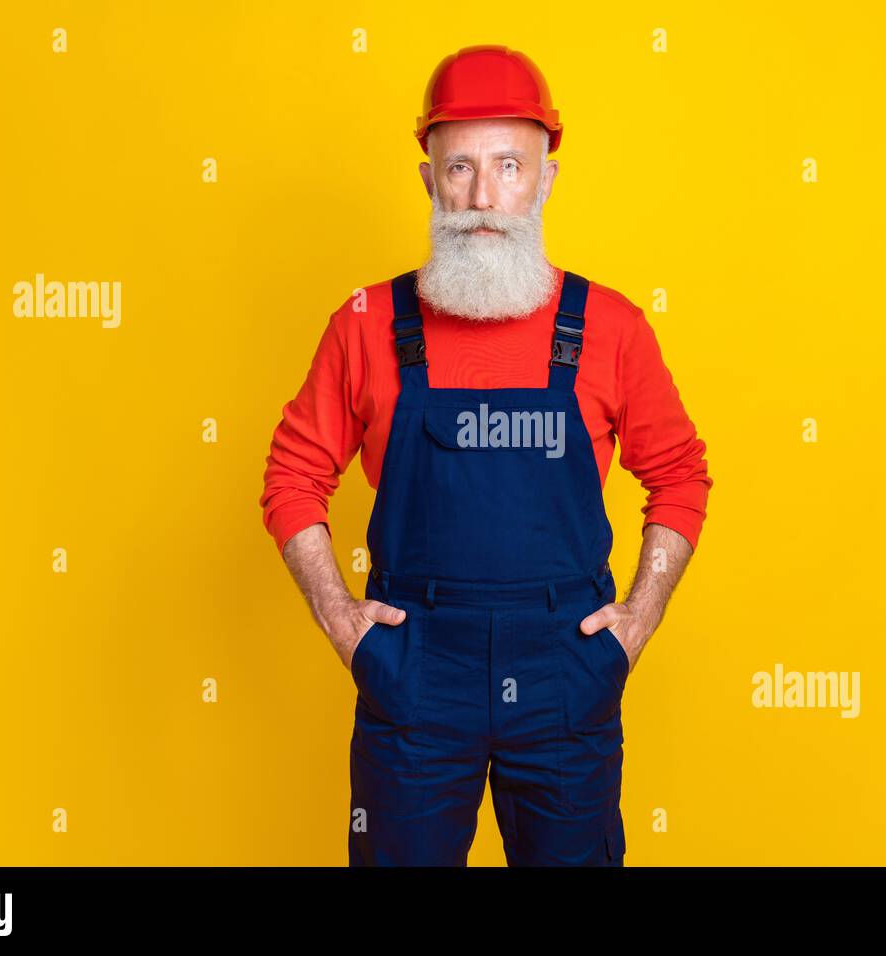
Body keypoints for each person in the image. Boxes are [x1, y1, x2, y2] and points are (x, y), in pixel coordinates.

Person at [260, 44, 712, 865]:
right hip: (414, 668)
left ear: (546, 179)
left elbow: (680, 474)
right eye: (459, 167)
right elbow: (293, 474)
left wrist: (639, 618)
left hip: (567, 668)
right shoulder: (366, 323)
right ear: (427, 178)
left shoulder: (609, 326)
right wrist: (341, 619)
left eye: (509, 166)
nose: (482, 197)